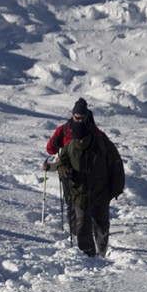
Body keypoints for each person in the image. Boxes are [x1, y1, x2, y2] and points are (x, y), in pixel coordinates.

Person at [55, 117, 125, 257]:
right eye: (77, 139)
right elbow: (62, 162)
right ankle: (87, 254)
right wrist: (64, 171)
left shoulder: (102, 143)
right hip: (79, 192)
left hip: (100, 190)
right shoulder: (70, 146)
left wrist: (116, 188)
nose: (80, 142)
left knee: (101, 223)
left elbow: (116, 165)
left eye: (83, 139)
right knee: (82, 224)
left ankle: (102, 251)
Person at [44, 98, 104, 231]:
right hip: (67, 171)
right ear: (72, 115)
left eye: (82, 118)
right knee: (71, 201)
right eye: (77, 117)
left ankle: (84, 229)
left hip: (87, 171)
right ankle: (75, 230)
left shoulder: (94, 131)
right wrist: (55, 145)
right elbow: (50, 149)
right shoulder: (63, 130)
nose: (80, 120)